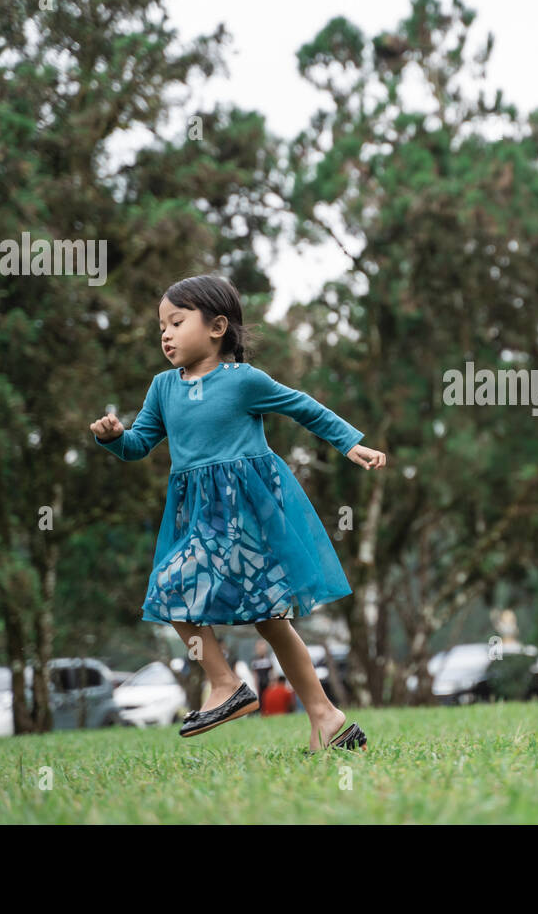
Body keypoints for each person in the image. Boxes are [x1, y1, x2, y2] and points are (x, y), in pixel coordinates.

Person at [90, 274, 386, 751]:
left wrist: (350, 442)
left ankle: (231, 686)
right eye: (160, 326)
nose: (164, 334)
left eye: (176, 322)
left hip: (246, 516)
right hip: (199, 516)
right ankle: (324, 717)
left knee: (188, 592)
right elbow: (138, 444)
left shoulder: (243, 381)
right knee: (251, 613)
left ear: (217, 326)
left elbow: (303, 407)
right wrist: (112, 439)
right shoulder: (163, 388)